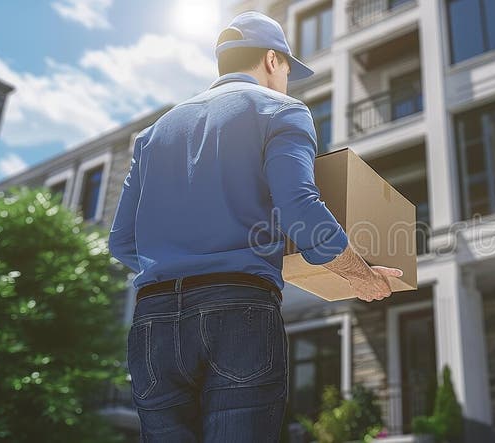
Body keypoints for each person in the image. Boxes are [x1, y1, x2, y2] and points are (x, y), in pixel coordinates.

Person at [107, 10, 403, 442]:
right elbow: (301, 208)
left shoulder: (153, 134)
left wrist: (179, 260)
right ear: (271, 59)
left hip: (152, 322)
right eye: (287, 69)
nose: (287, 80)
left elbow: (121, 242)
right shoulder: (280, 109)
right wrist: (363, 276)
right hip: (237, 311)